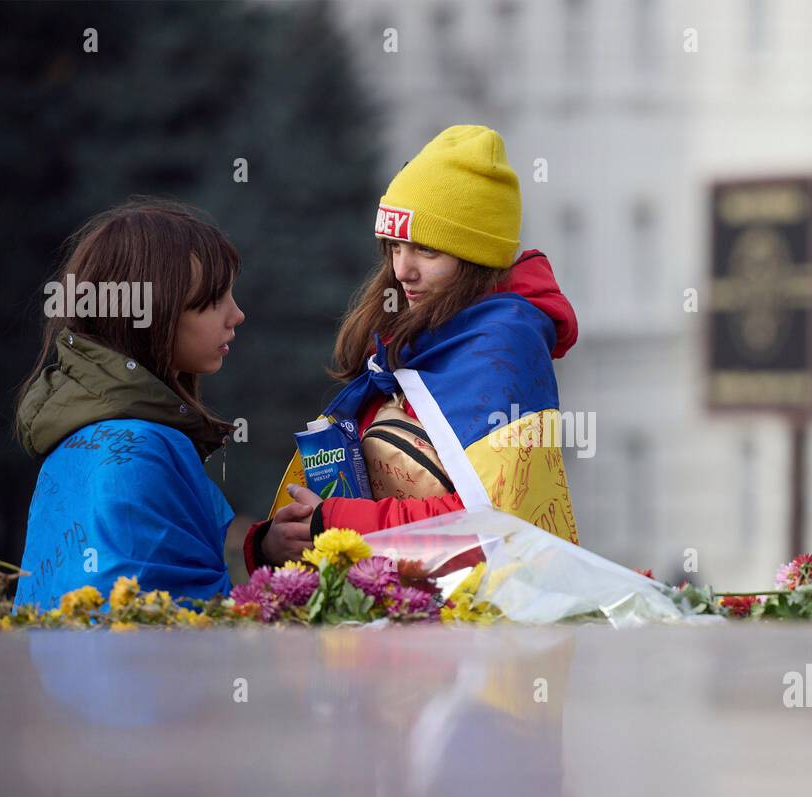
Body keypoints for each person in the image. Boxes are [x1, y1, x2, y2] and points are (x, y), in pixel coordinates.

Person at [247, 125, 580, 571]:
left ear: (474, 259)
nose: (402, 270)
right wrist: (277, 542)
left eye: (426, 250)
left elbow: (493, 529)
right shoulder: (410, 338)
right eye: (394, 246)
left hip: (470, 634)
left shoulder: (504, 346)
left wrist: (337, 526)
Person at [13, 199, 244, 610]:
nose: (236, 315)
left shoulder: (84, 433)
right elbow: (159, 625)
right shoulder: (140, 448)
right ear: (154, 314)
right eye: (212, 300)